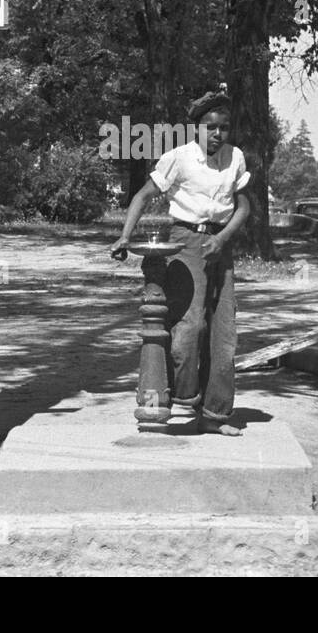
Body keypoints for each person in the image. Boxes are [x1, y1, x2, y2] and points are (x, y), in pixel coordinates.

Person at [111, 86, 252, 437]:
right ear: (197, 128)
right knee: (188, 330)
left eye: (224, 127)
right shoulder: (179, 158)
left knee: (223, 335)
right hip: (185, 242)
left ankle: (214, 415)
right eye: (211, 127)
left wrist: (222, 238)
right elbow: (144, 195)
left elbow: (244, 205)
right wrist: (125, 236)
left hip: (221, 245)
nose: (217, 134)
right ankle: (181, 397)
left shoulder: (236, 158)